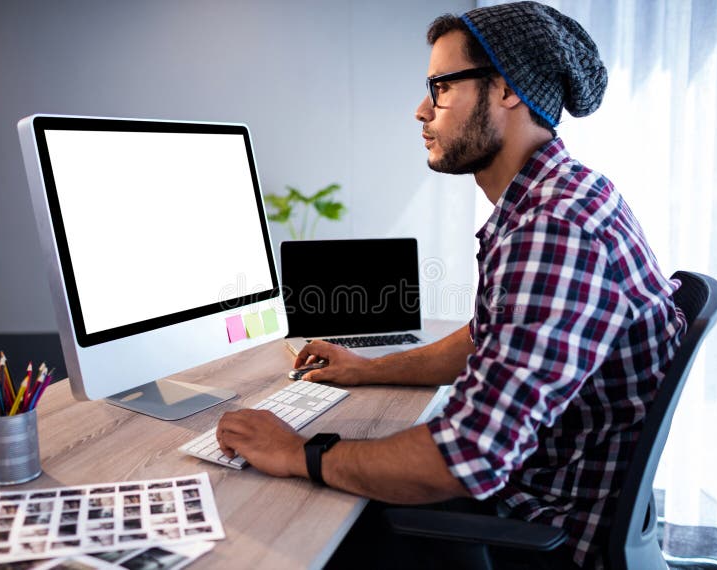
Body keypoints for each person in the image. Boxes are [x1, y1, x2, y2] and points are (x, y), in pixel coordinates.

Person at [216, 2, 687, 568]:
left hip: (544, 531)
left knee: (290, 533)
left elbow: (468, 455)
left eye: (440, 87)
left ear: (506, 90)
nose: (421, 110)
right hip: (541, 493)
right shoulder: (564, 195)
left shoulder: (554, 228)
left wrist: (298, 452)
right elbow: (489, 339)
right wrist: (367, 370)